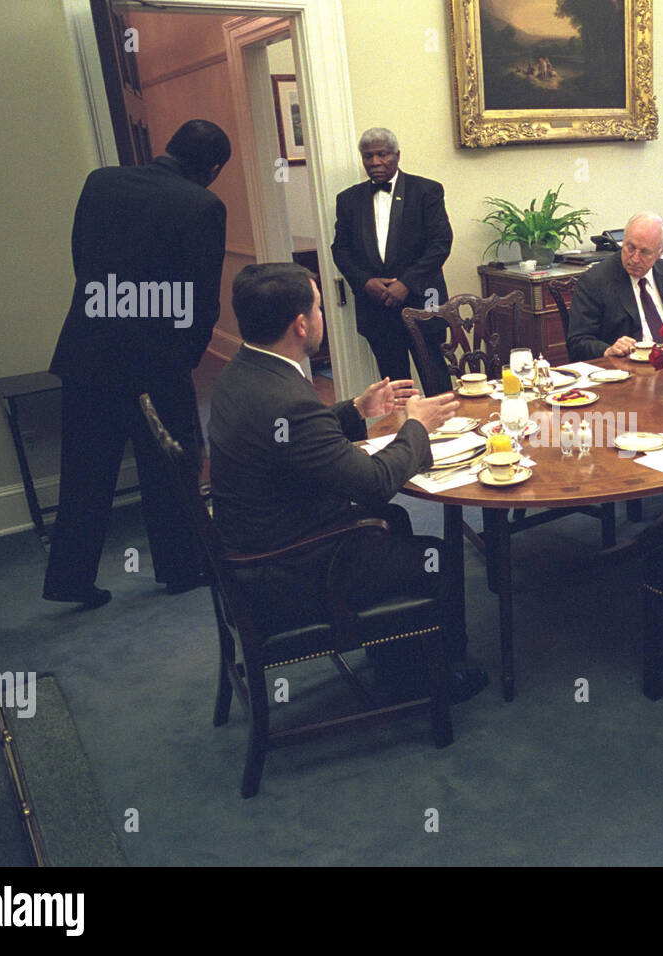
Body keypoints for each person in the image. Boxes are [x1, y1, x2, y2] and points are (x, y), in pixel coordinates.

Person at [208, 263, 487, 702]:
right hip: (288, 571)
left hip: (252, 548)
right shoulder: (287, 398)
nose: (321, 314)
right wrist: (417, 426)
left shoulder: (242, 371)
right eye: (318, 307)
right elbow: (374, 482)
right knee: (435, 555)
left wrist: (355, 409)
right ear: (301, 324)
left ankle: (397, 658)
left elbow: (295, 438)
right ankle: (437, 679)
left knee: (391, 519)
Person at [44, 119, 232, 609]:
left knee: (84, 470)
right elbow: (200, 298)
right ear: (211, 169)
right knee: (171, 468)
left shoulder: (100, 181)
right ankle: (180, 567)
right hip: (156, 357)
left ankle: (68, 578)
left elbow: (80, 259)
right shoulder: (204, 205)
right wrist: (186, 357)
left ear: (168, 147)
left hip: (88, 347)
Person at [332, 128, 453, 384]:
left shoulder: (427, 191)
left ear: (397, 155)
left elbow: (440, 244)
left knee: (437, 383)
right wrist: (365, 282)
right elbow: (340, 249)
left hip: (423, 302)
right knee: (394, 389)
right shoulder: (348, 199)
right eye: (368, 156)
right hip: (376, 310)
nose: (374, 162)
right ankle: (401, 426)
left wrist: (406, 283)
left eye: (382, 154)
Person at [567, 211, 663, 362]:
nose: (635, 258)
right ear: (623, 242)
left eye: (645, 252)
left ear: (660, 252)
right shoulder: (595, 281)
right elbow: (578, 342)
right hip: (626, 369)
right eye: (630, 248)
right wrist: (608, 350)